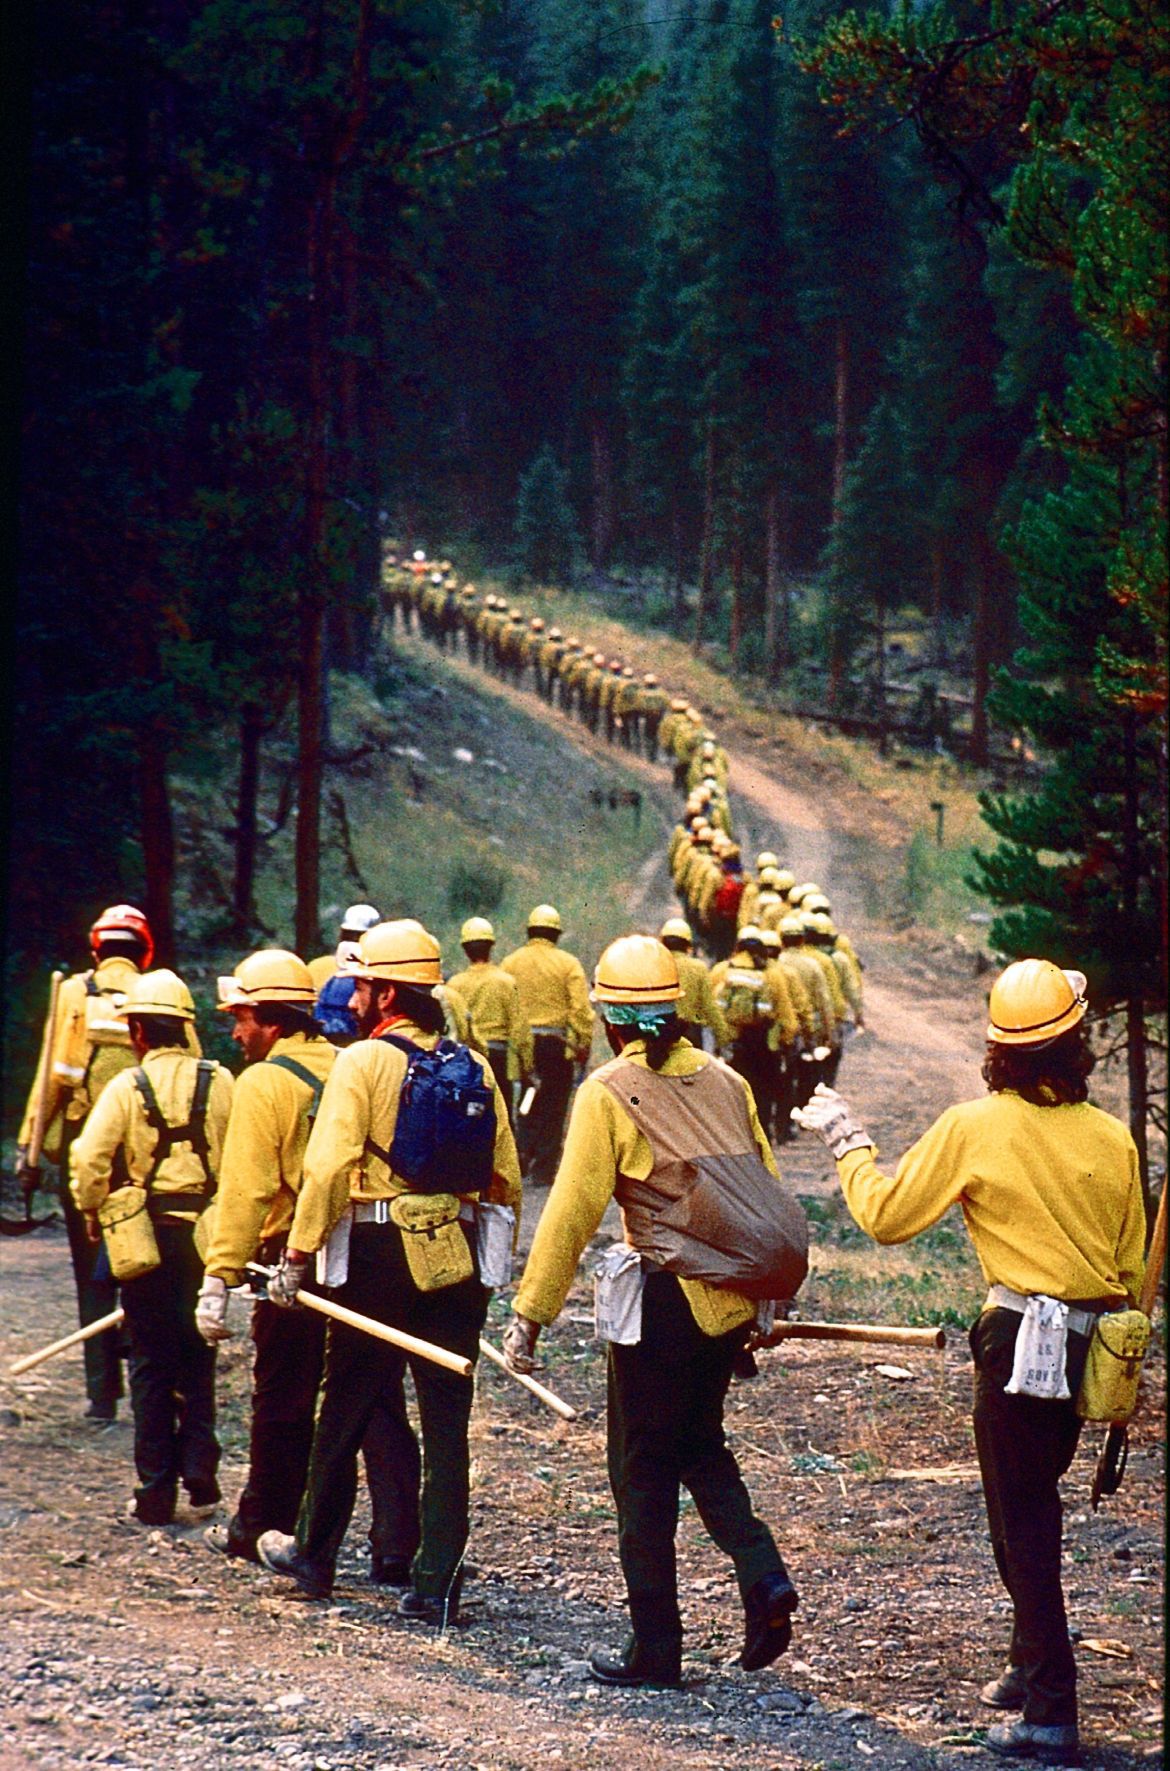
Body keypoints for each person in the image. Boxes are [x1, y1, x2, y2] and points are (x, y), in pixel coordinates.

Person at [792, 959, 1146, 1765]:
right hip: (1089, 1349)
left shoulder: (975, 1126)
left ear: (1000, 1050)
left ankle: (1052, 1711)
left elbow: (884, 1215)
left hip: (1018, 1341)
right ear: (1075, 1044)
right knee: (1023, 1502)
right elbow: (1126, 1267)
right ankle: (1029, 1664)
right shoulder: (1114, 1140)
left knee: (1024, 1520)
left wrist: (847, 1139)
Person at [504, 935, 799, 1689]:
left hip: (665, 1301)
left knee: (640, 1468)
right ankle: (763, 1573)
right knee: (700, 1442)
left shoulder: (609, 1090)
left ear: (609, 1016)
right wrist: (763, 1299)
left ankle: (655, 1646)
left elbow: (571, 1212)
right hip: (727, 1302)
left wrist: (531, 1313)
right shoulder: (727, 1081)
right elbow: (764, 1186)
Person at [255, 920, 521, 1622]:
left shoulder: (363, 1062)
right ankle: (438, 1581)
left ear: (385, 991)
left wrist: (298, 1254)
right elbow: (508, 1176)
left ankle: (313, 1552)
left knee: (345, 1401)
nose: (358, 994)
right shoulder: (476, 1065)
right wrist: (487, 1263)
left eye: (366, 983)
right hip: (454, 1256)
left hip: (378, 1254)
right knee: (446, 1420)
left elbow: (330, 1165)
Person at [196, 949, 419, 1586]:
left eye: (240, 1018)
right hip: (359, 1257)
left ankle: (262, 1523)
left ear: (268, 1019)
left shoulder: (262, 1082)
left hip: (285, 1263)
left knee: (283, 1398)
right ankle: (396, 1544)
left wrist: (219, 1274)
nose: (235, 1032)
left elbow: (246, 1189)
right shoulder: (353, 1062)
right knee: (372, 1399)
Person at [69, 969, 233, 1523]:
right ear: (186, 1027)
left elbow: (89, 1158)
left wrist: (94, 1210)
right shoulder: (222, 1082)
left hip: (145, 1242)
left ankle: (156, 1491)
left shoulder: (126, 1087)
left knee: (150, 1365)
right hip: (207, 1239)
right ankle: (203, 1479)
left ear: (137, 1032)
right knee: (198, 1356)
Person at [16, 905, 159, 1420]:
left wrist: (29, 1147)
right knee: (145, 1270)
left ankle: (102, 1397)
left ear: (97, 947)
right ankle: (152, 1381)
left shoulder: (73, 992)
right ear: (144, 950)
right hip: (146, 1156)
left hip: (84, 1152)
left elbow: (51, 1078)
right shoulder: (160, 991)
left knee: (91, 1271)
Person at [502, 905, 593, 1186]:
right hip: (556, 1047)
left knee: (528, 1098)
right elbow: (580, 1010)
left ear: (530, 932)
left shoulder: (510, 963)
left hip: (522, 1046)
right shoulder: (568, 964)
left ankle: (523, 1149)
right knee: (554, 1105)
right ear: (555, 934)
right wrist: (583, 1043)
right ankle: (544, 1168)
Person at [446, 917, 533, 1128]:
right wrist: (527, 1066)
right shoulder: (505, 982)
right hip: (499, 1059)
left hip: (466, 1059)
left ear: (465, 949)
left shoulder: (455, 985)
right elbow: (520, 1029)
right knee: (501, 1119)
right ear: (491, 947)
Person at [658, 917, 729, 1050]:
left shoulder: (654, 964)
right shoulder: (698, 968)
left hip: (658, 1033)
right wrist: (723, 1036)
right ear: (688, 945)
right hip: (689, 1035)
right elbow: (709, 1006)